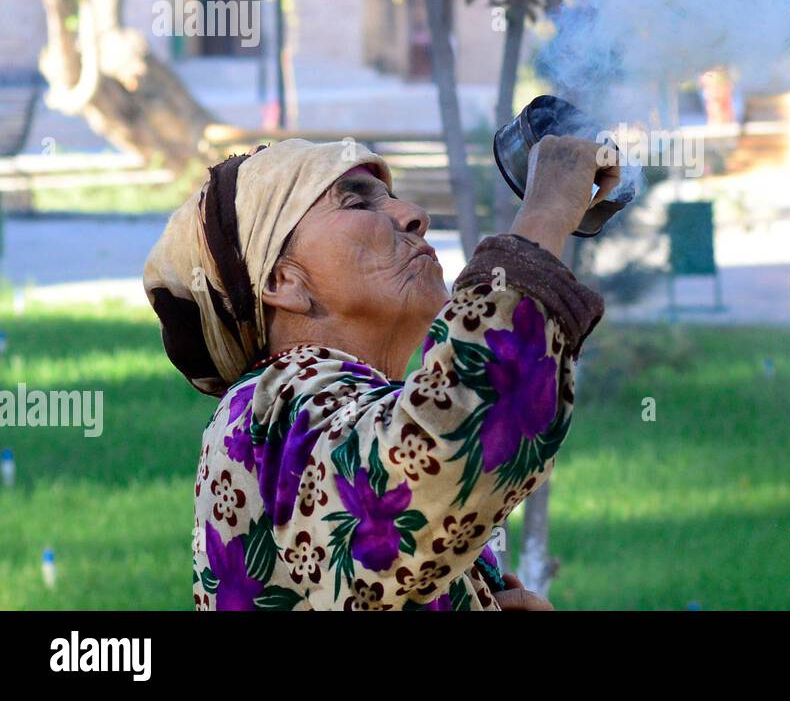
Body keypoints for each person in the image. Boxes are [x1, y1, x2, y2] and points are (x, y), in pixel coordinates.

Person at [142, 134, 617, 610]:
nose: (415, 215)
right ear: (280, 281)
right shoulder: (275, 400)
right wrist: (547, 211)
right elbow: (448, 447)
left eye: (392, 197)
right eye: (356, 202)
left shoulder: (321, 405)